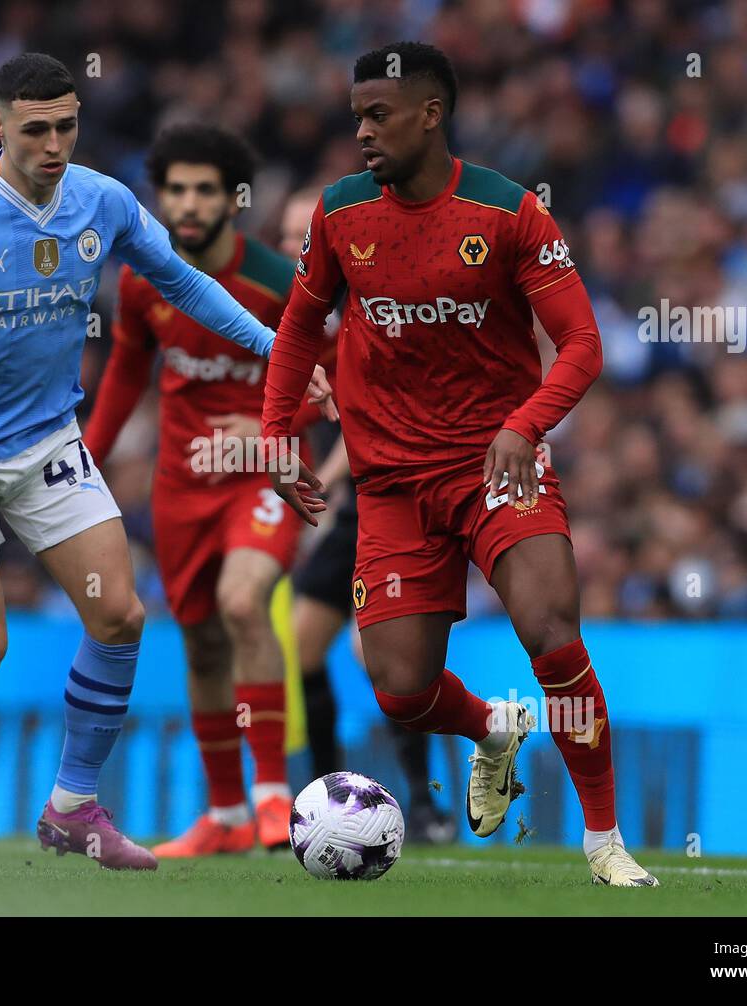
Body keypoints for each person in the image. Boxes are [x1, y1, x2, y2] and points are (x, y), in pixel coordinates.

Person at [0, 53, 331, 870]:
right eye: (36, 130)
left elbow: (184, 282)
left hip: (49, 443)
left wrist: (278, 350)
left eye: (67, 126)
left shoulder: (104, 200)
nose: (55, 143)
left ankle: (72, 806)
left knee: (121, 616)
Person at [262, 42, 657, 885]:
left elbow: (583, 343)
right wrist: (276, 433)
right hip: (393, 482)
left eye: (380, 114)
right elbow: (300, 327)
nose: (362, 131)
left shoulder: (509, 213)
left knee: (553, 635)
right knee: (400, 690)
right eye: (357, 114)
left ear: (431, 114)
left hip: (495, 468)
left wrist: (526, 423)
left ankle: (604, 841)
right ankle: (490, 730)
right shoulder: (338, 214)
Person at [87, 125, 332, 855]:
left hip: (264, 480)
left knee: (241, 601)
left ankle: (271, 799)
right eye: (176, 190)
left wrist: (268, 427)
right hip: (179, 487)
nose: (188, 205)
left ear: (233, 199)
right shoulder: (140, 280)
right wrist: (86, 461)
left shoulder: (276, 284)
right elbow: (127, 376)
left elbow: (335, 387)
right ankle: (225, 816)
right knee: (199, 645)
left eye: (204, 190)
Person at [278, 190, 456, 843]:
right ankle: (328, 799)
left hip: (388, 497)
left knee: (379, 657)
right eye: (290, 235)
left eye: (308, 234)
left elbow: (375, 408)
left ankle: (425, 802)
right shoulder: (289, 315)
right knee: (300, 647)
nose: (300, 246)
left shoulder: (370, 304)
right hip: (343, 507)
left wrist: (318, 483)